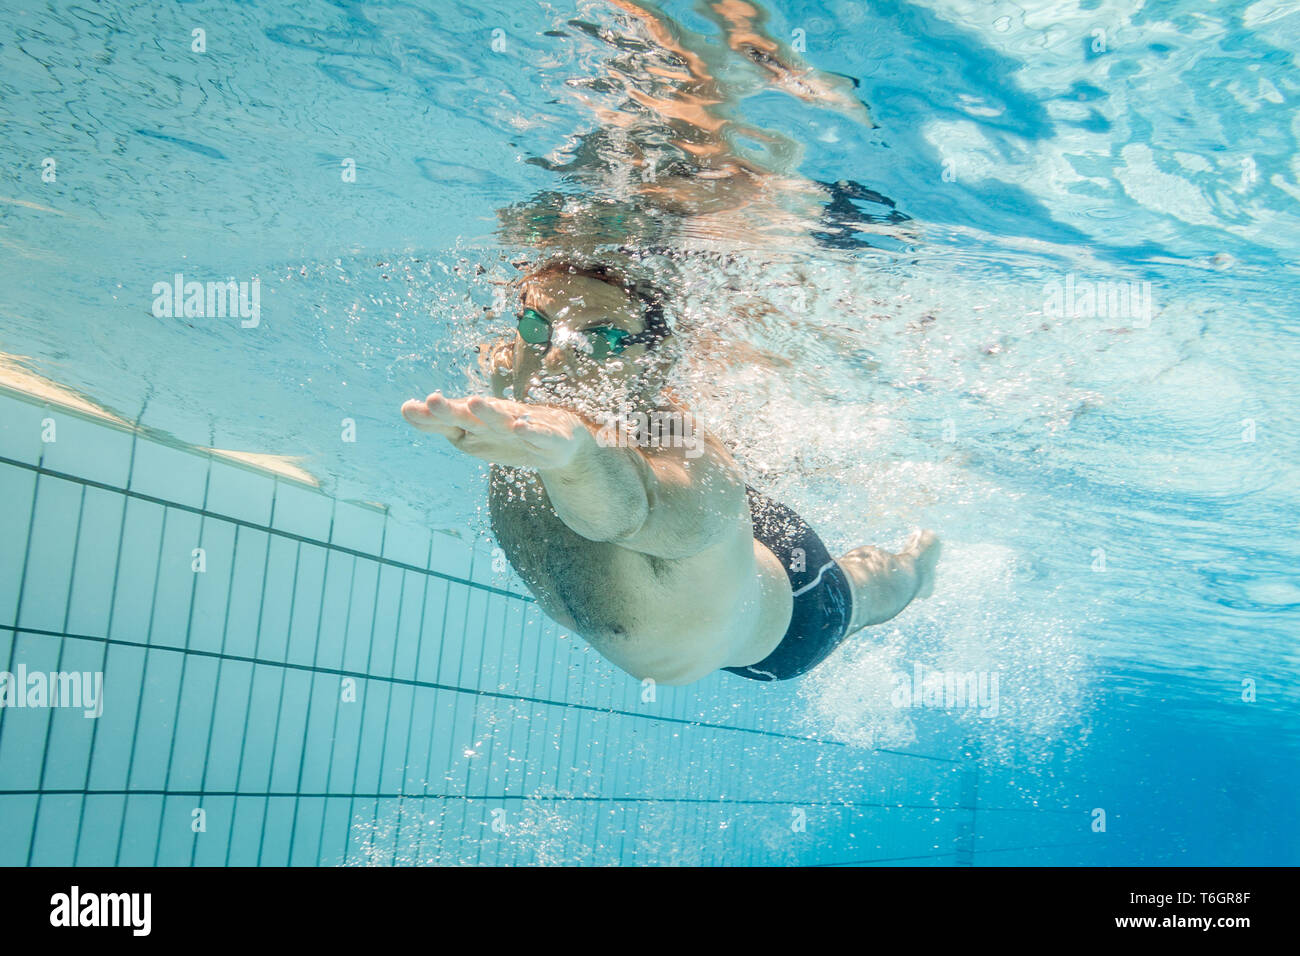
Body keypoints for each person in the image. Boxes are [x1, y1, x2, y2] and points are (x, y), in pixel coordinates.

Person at [400, 258, 940, 685]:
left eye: (602, 340)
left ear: (652, 365)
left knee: (872, 589)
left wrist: (581, 460)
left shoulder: (676, 440)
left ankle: (918, 563)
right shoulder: (514, 385)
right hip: (723, 561)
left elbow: (641, 511)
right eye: (538, 327)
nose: (556, 358)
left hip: (792, 616)